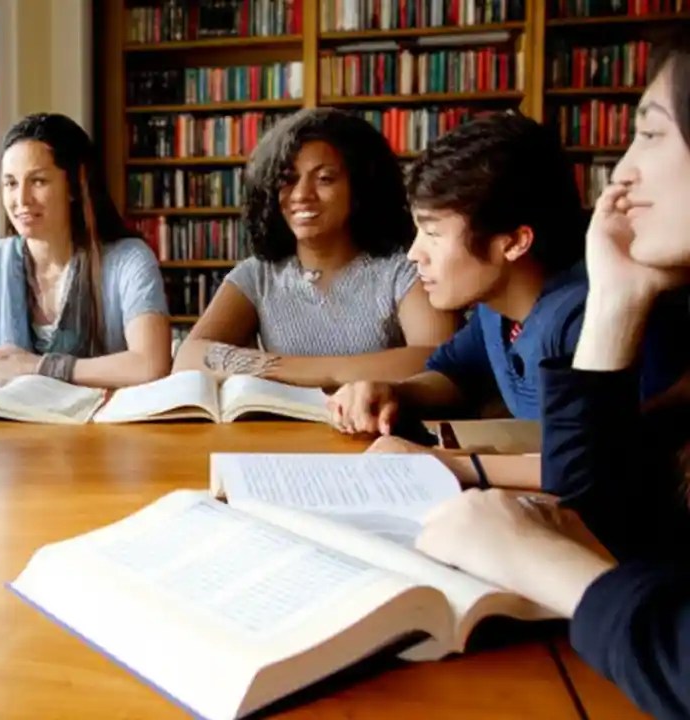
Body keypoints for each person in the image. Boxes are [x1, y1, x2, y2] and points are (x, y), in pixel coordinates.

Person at [416, 34, 690, 718]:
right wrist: (619, 297)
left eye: (651, 134)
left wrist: (531, 555)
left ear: (514, 241)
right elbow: (597, 503)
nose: (619, 176)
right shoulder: (521, 311)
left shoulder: (570, 308)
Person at [330, 111, 688, 489]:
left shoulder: (593, 317)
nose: (414, 254)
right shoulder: (498, 307)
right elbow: (456, 374)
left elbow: (613, 459)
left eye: (433, 234)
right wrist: (394, 392)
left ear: (515, 242)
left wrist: (450, 465)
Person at [171, 108, 458, 388]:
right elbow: (189, 356)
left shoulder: (403, 269)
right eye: (287, 180)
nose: (301, 195)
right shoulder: (258, 275)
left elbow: (436, 360)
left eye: (324, 179)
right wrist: (300, 371)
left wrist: (282, 370)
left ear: (361, 187)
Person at [0, 112, 170, 388]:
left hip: (101, 415)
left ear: (75, 184)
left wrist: (39, 367)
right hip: (8, 416)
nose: (21, 200)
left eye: (38, 181)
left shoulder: (128, 260)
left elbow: (150, 364)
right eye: (11, 183)